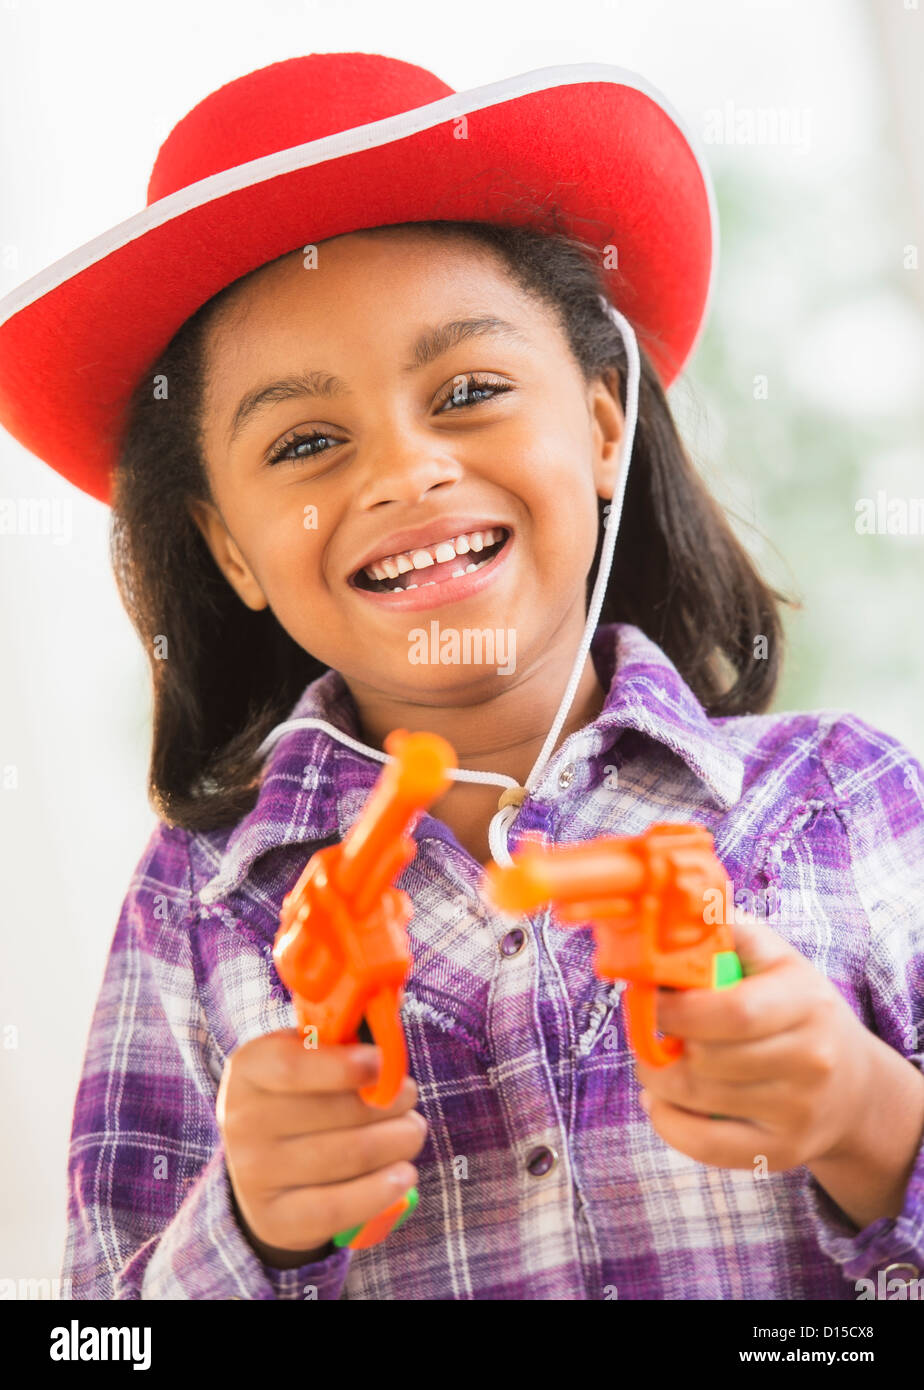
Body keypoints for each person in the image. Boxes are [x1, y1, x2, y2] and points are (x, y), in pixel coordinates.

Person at [2, 52, 922, 1301]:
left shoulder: (849, 801)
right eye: (308, 442)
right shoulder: (197, 909)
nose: (403, 472)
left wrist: (875, 1120)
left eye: (472, 391)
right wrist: (246, 1232)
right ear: (233, 549)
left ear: (602, 428)